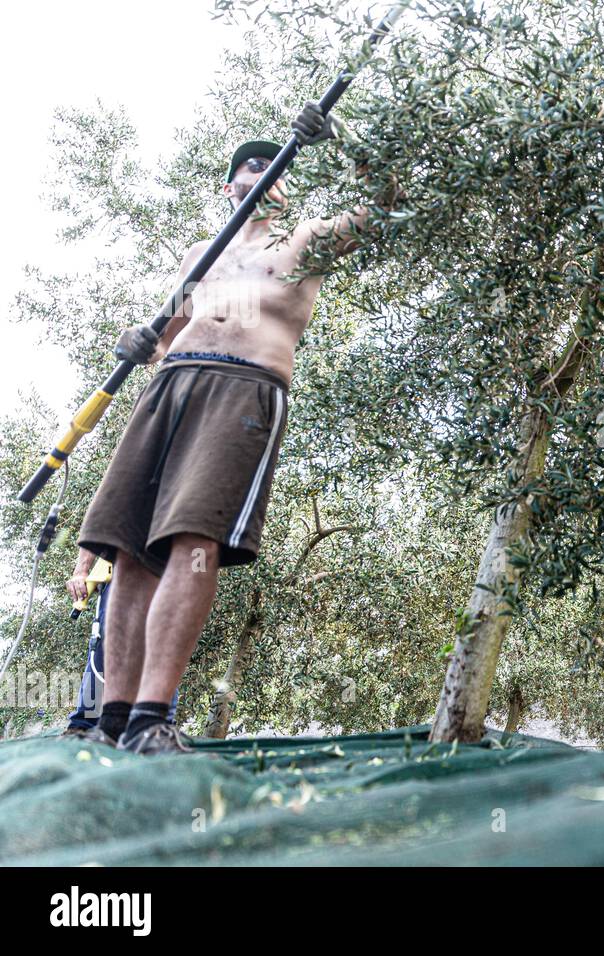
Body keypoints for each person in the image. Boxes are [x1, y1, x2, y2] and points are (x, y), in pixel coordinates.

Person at [76, 101, 386, 754]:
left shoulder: (301, 243)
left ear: (285, 179)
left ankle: (152, 716)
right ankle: (112, 723)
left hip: (243, 388)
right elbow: (169, 336)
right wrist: (144, 341)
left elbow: (386, 204)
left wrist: (344, 138)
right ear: (228, 186)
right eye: (248, 163)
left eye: (271, 163)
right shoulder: (201, 254)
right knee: (131, 552)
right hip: (170, 386)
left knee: (194, 541)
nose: (260, 169)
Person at [61, 548, 177, 741]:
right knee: (106, 642)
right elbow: (98, 519)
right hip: (123, 564)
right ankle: (85, 724)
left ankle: (157, 725)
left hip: (168, 569)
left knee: (163, 641)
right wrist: (81, 570)